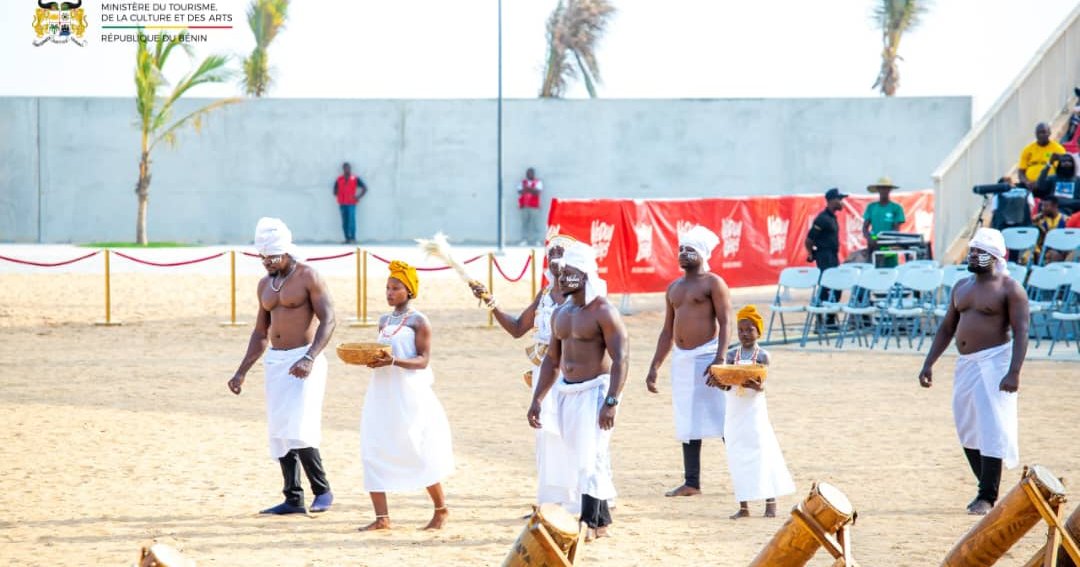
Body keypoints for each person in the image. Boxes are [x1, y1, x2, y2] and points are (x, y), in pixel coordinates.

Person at [228, 217, 337, 515]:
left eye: (271, 256)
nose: (266, 262)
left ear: (286, 251)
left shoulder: (308, 277)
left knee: (300, 425)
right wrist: (241, 371)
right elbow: (260, 333)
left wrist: (310, 357)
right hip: (276, 362)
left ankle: (323, 490)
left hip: (304, 360)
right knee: (280, 431)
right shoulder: (265, 284)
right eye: (262, 256)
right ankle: (292, 498)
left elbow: (329, 319)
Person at [918, 227, 1029, 516]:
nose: (972, 255)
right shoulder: (961, 287)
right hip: (966, 363)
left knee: (992, 426)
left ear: (993, 257)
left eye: (979, 252)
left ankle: (987, 495)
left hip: (995, 361)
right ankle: (986, 483)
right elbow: (946, 328)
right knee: (966, 425)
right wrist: (929, 362)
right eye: (972, 250)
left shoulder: (1010, 289)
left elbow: (1022, 332)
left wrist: (1014, 372)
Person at [468, 235, 577, 511]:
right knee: (544, 435)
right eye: (551, 253)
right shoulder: (543, 295)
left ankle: (573, 500)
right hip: (542, 369)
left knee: (566, 434)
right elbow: (518, 329)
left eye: (561, 253)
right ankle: (550, 501)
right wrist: (491, 302)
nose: (555, 259)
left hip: (570, 370)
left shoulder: (580, 295)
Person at [529, 242, 628, 541]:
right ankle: (602, 521)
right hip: (566, 393)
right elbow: (552, 360)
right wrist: (538, 398)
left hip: (597, 391)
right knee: (579, 456)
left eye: (568, 273)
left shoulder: (603, 311)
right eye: (560, 273)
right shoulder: (560, 312)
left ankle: (589, 521)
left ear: (584, 275)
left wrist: (610, 402)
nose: (560, 279)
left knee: (591, 456)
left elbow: (622, 358)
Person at [358, 260, 454, 531]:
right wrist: (373, 359)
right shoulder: (384, 321)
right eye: (387, 288)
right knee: (372, 448)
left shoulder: (419, 321)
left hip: (408, 394)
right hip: (381, 392)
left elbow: (423, 360)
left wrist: (393, 362)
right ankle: (381, 518)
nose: (389, 293)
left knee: (417, 448)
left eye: (395, 288)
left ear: (409, 290)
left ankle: (441, 510)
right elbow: (381, 352)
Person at [644, 225, 732, 498]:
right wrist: (655, 366)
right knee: (687, 419)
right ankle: (691, 482)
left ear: (703, 254)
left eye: (690, 250)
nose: (683, 253)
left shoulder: (713, 283)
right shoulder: (674, 288)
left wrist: (719, 358)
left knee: (725, 419)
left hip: (707, 357)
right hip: (682, 361)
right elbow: (667, 331)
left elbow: (726, 320)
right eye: (681, 249)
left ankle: (745, 474)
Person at [706, 305, 795, 519]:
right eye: (741, 330)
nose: (745, 334)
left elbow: (761, 385)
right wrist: (717, 382)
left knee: (762, 452)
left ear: (758, 331)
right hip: (734, 410)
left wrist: (757, 387)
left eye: (750, 329)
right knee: (736, 454)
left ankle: (770, 503)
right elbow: (728, 386)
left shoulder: (763, 356)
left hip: (754, 410)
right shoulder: (730, 355)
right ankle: (743, 506)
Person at [805, 188, 847, 328]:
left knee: (835, 287)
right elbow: (809, 239)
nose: (842, 202)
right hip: (825, 256)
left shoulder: (831, 217)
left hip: (832, 256)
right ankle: (820, 320)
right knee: (826, 287)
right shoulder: (823, 218)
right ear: (832, 200)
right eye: (839, 199)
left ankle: (829, 320)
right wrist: (811, 254)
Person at [1017, 123, 1066, 190]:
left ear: (1049, 133)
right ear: (1035, 134)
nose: (1041, 135)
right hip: (1030, 185)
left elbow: (1063, 170)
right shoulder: (1027, 149)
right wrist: (1026, 182)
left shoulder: (1058, 149)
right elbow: (1021, 172)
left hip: (1049, 185)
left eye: (1043, 132)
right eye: (1039, 133)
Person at [332, 162, 368, 244]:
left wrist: (358, 197)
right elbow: (335, 190)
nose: (347, 169)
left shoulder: (355, 178)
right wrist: (337, 193)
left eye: (348, 168)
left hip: (351, 203)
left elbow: (365, 188)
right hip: (342, 203)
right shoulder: (339, 179)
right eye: (345, 168)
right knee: (345, 221)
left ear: (350, 168)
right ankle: (347, 238)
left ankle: (353, 238)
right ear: (343, 169)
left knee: (351, 221)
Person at [1032, 195, 1068, 263]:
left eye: (1046, 206)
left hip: (1060, 250)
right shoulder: (1037, 220)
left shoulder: (1066, 220)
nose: (1043, 208)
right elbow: (1034, 239)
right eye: (1042, 206)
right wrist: (1037, 252)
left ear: (1055, 206)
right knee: (1026, 257)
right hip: (1042, 250)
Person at [518, 167, 544, 246]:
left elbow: (537, 192)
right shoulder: (522, 182)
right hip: (524, 206)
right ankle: (524, 240)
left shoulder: (538, 182)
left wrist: (527, 189)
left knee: (535, 224)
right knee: (524, 224)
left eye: (530, 173)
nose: (529, 174)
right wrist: (531, 190)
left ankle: (537, 240)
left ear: (533, 174)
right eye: (528, 173)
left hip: (534, 207)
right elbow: (520, 191)